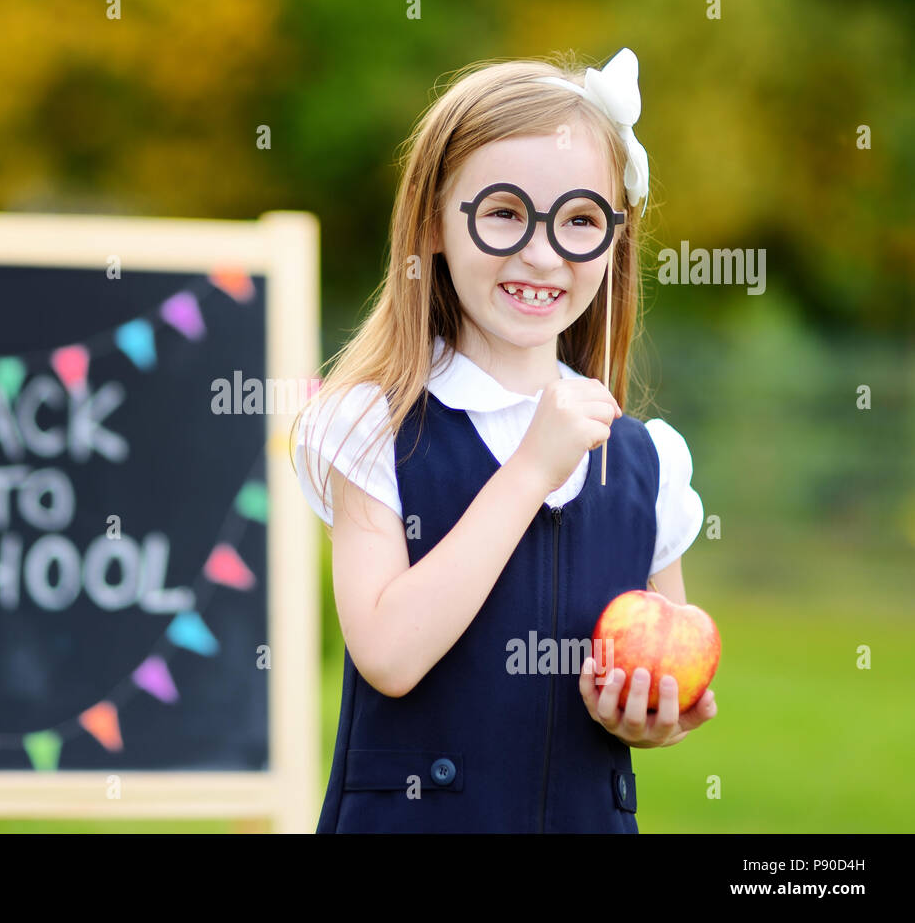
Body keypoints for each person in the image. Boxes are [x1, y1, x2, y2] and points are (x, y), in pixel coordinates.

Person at [292, 48, 718, 833]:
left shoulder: (646, 462)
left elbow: (665, 656)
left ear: (615, 240)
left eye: (582, 219)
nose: (544, 253)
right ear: (433, 225)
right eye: (503, 212)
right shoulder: (372, 427)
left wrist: (647, 716)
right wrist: (529, 470)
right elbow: (388, 653)